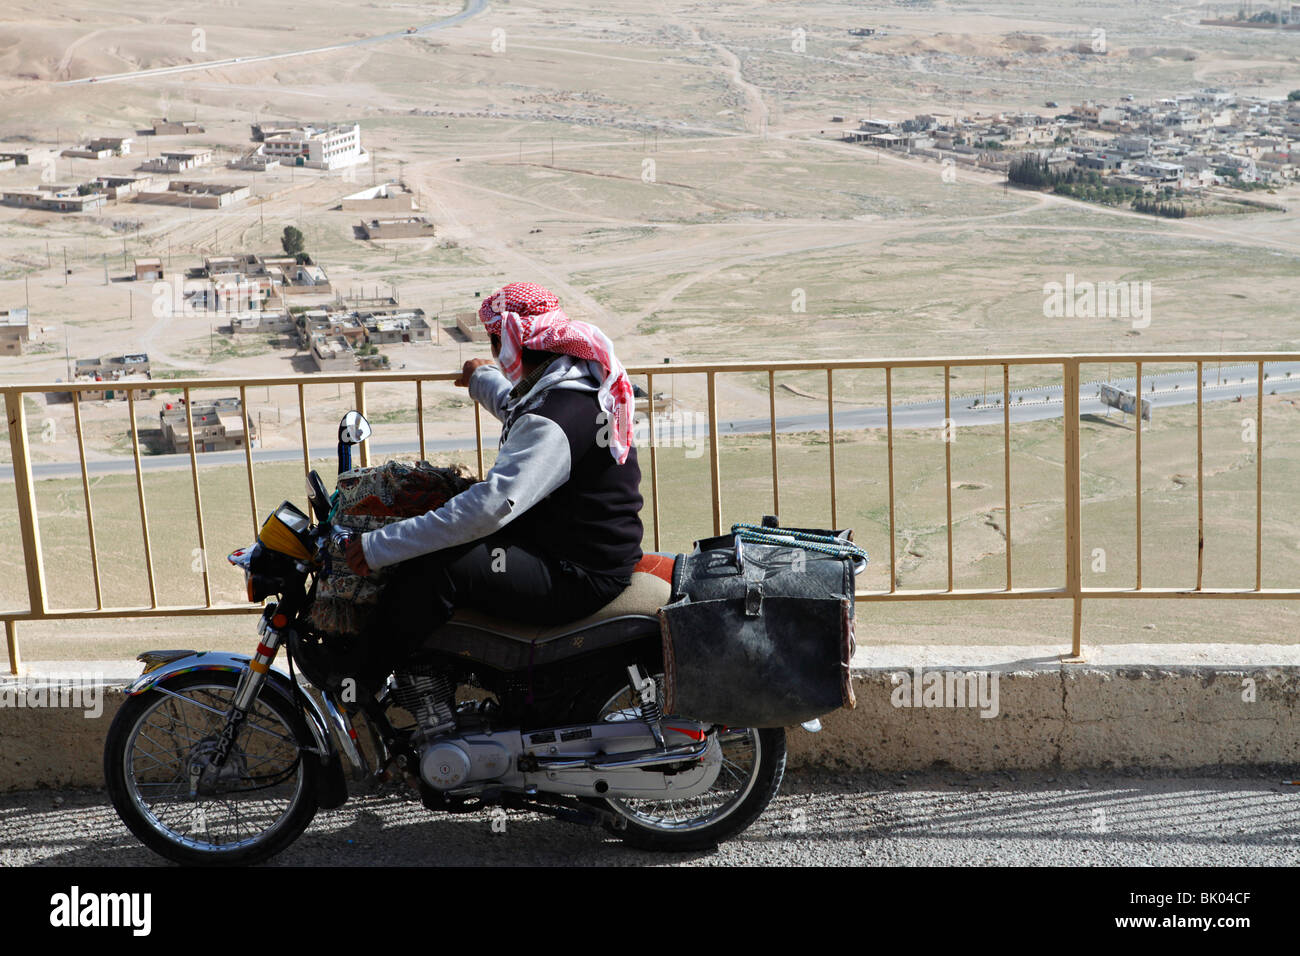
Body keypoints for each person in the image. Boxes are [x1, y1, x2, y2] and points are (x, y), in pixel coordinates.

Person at [341, 281, 643, 662]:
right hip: (583, 551)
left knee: (436, 570)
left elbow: (489, 507)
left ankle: (354, 683)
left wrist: (378, 547)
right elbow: (517, 408)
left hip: (578, 575)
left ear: (507, 345)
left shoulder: (553, 417)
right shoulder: (573, 382)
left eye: (493, 343)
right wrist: (481, 378)